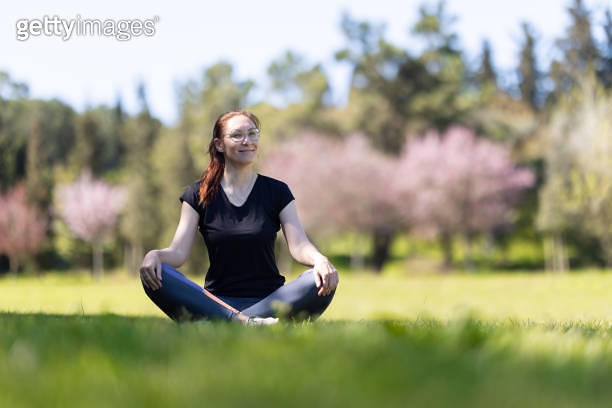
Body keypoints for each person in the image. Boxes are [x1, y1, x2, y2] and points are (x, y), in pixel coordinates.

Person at [139, 110, 339, 325]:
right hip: (216, 301)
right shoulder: (198, 194)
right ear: (219, 144)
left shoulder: (278, 192)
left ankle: (227, 323)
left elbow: (300, 246)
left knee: (317, 279)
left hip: (272, 300)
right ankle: (248, 323)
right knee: (159, 274)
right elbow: (177, 253)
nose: (247, 141)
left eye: (253, 134)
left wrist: (320, 259)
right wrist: (154, 255)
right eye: (237, 135)